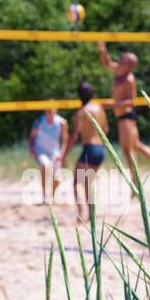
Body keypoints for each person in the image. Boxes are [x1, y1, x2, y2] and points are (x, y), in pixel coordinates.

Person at [98, 41, 150, 189]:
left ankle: (136, 184)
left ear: (129, 65)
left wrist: (112, 105)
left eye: (125, 58)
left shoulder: (129, 79)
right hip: (123, 117)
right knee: (137, 146)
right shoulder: (119, 71)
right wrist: (103, 51)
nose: (121, 58)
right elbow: (106, 63)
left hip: (126, 117)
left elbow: (131, 102)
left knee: (128, 152)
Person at [59, 81, 109, 223]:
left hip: (90, 148)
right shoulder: (99, 108)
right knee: (88, 183)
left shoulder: (81, 112)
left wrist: (64, 155)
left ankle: (82, 215)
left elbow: (73, 136)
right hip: (101, 149)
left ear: (78, 95)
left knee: (77, 183)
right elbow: (105, 129)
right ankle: (91, 214)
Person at [28, 104, 67, 203]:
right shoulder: (39, 121)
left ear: (56, 110)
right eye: (47, 109)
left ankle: (53, 197)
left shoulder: (62, 123)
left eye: (51, 109)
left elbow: (65, 140)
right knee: (45, 167)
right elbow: (32, 136)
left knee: (57, 178)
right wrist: (32, 148)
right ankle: (45, 197)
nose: (49, 111)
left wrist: (62, 154)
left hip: (55, 152)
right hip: (41, 150)